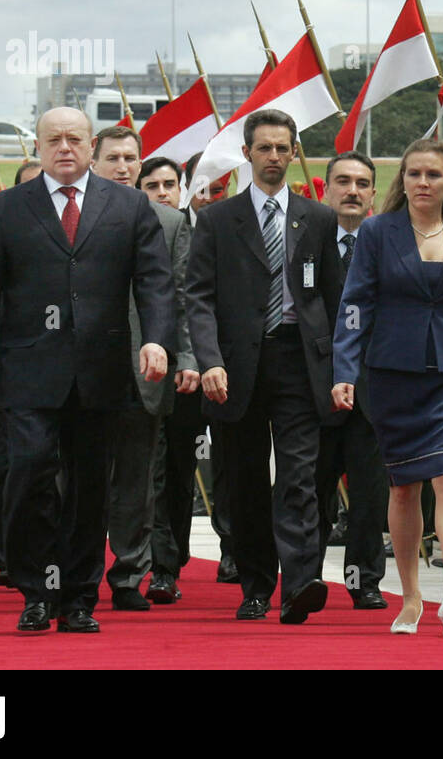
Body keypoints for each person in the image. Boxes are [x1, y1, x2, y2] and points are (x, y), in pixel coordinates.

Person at [0, 107, 176, 633]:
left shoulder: (129, 207)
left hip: (101, 375)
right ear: (37, 145)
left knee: (88, 488)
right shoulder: (5, 210)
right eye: (53, 139)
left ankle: (78, 596)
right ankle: (36, 589)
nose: (65, 148)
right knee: (29, 474)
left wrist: (156, 340)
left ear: (90, 143)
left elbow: (155, 283)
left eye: (75, 139)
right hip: (28, 373)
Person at [332, 137, 443, 635]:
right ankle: (410, 598)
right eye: (414, 174)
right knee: (405, 486)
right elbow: (355, 305)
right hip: (392, 375)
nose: (423, 183)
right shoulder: (376, 232)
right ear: (403, 181)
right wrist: (344, 371)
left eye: (434, 174)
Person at [186, 109, 340, 624]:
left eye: (282, 148)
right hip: (236, 368)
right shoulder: (216, 220)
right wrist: (209, 360)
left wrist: (341, 369)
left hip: (301, 361)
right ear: (247, 153)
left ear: (294, 153)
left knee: (299, 476)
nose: (274, 157)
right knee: (245, 481)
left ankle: (300, 583)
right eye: (264, 148)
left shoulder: (317, 218)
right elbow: (199, 298)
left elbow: (335, 299)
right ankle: (255, 584)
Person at [90, 131, 198, 611]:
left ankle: (129, 575)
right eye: (111, 157)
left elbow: (182, 299)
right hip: (81, 372)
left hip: (144, 371)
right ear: (94, 162)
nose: (121, 165)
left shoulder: (170, 222)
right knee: (80, 479)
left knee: (139, 481)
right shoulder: (71, 219)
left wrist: (190, 358)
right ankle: (76, 574)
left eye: (130, 157)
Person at [317, 150, 388, 609]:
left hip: (373, 391)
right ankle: (305, 577)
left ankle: (364, 580)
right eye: (343, 181)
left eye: (362, 183)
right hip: (315, 388)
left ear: (373, 195)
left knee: (369, 495)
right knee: (310, 492)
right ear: (326, 189)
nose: (353, 190)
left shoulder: (389, 245)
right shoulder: (308, 242)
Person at [136, 156, 203, 604]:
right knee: (146, 472)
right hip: (133, 367)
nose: (162, 192)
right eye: (152, 185)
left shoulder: (190, 232)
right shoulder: (130, 228)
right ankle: (150, 562)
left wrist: (193, 357)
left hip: (183, 370)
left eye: (169, 184)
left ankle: (168, 564)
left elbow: (190, 301)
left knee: (176, 470)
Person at [0, 157, 44, 591]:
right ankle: (10, 557)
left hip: (77, 372)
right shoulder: (4, 221)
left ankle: (64, 580)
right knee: (14, 466)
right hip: (16, 368)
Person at [182, 151, 236, 584]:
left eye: (220, 189)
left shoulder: (240, 227)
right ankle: (168, 559)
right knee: (178, 466)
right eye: (203, 190)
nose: (211, 199)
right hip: (181, 370)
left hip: (232, 369)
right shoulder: (171, 230)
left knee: (231, 463)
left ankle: (232, 548)